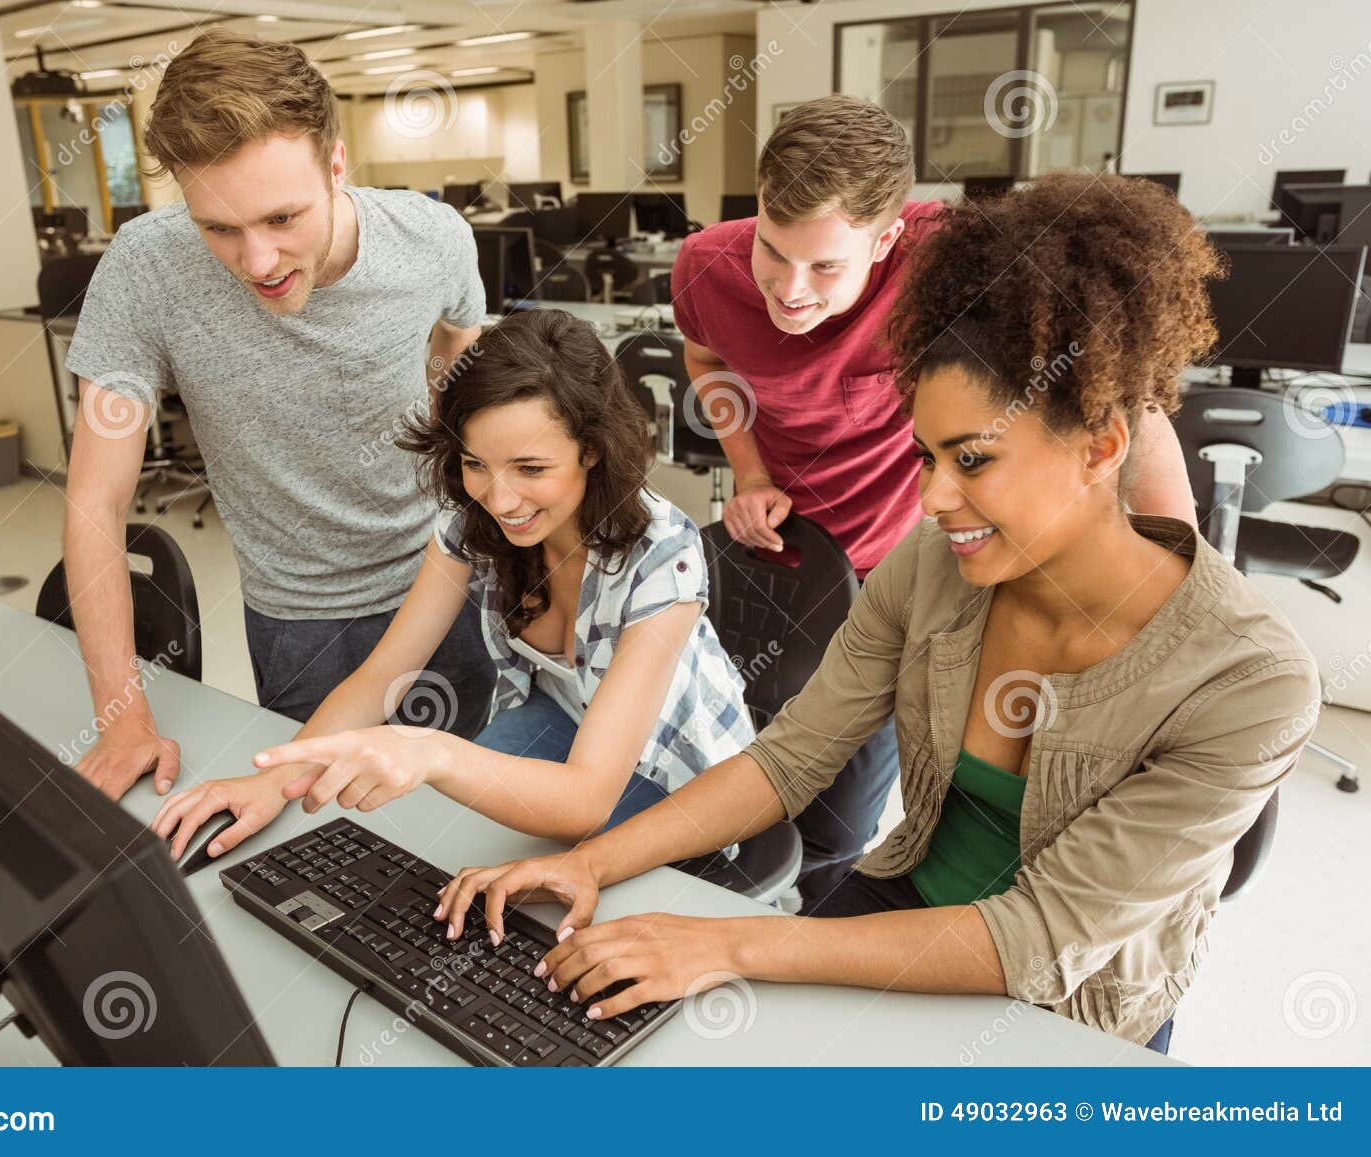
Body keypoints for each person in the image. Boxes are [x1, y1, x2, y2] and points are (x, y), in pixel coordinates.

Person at [432, 173, 1319, 1052]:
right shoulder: (930, 569)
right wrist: (590, 860)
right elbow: (788, 760)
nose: (931, 499)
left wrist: (730, 940)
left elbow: (1041, 939)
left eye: (972, 460)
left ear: (1101, 445)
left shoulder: (1249, 678)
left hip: (1074, 1007)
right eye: (924, 455)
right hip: (902, 908)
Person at [670, 94, 1199, 904]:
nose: (791, 289)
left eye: (826, 267)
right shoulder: (708, 267)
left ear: (885, 241)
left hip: (914, 554)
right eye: (775, 253)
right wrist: (748, 469)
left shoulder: (949, 258)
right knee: (766, 766)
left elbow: (1122, 392)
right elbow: (705, 357)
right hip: (792, 550)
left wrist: (1173, 568)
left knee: (846, 822)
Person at [61, 29, 494, 802]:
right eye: (218, 228)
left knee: (458, 832)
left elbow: (462, 336)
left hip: (446, 585)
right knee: (322, 843)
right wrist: (120, 719)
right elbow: (96, 499)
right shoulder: (144, 267)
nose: (257, 262)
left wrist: (446, 437)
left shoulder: (431, 240)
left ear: (335, 166)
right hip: (298, 621)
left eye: (282, 218)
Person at [152, 309, 754, 863]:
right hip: (564, 717)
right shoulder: (473, 522)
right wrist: (272, 783)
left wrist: (433, 751)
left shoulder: (664, 556)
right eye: (475, 465)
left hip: (674, 770)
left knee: (512, 875)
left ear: (592, 451)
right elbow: (382, 676)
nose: (500, 500)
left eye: (531, 468)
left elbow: (585, 800)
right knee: (445, 848)